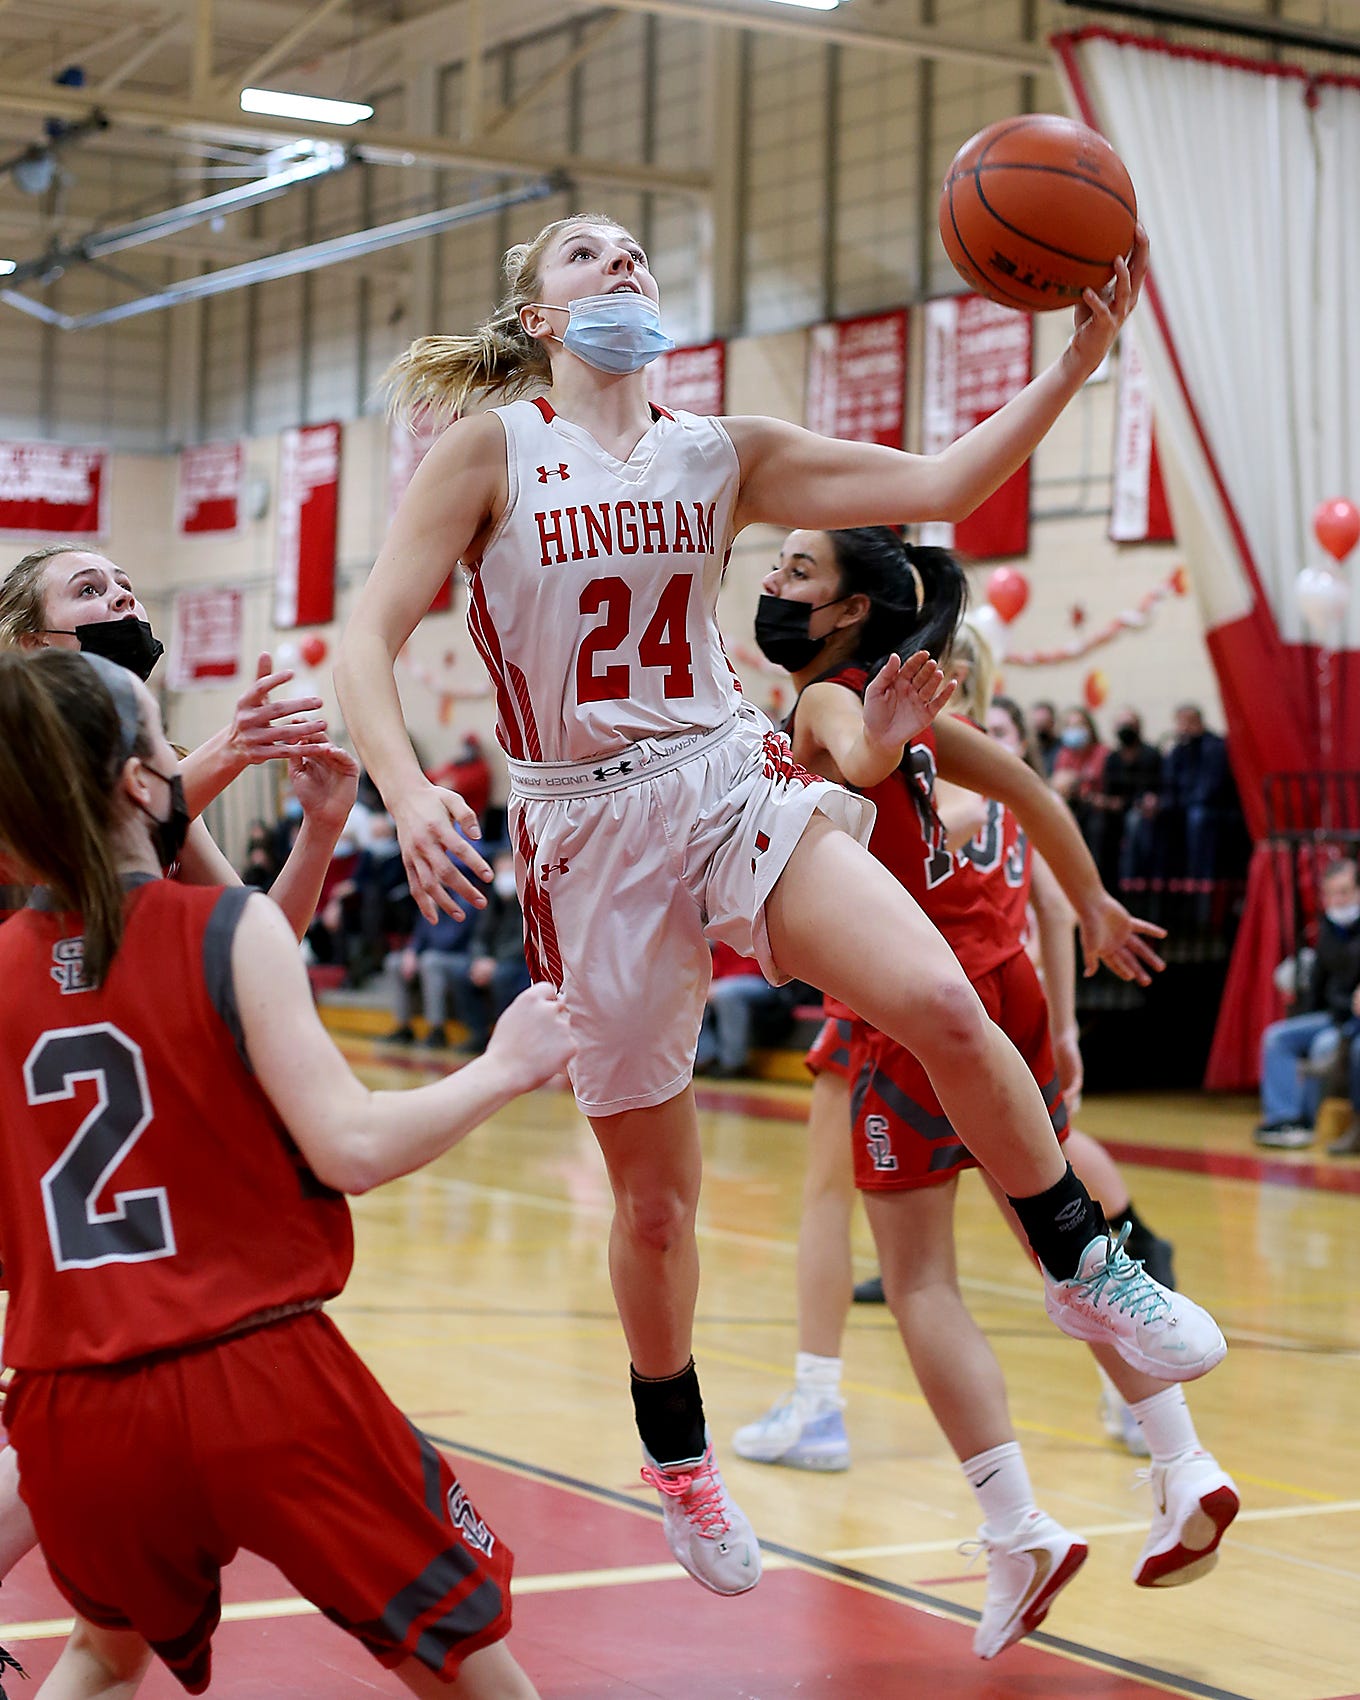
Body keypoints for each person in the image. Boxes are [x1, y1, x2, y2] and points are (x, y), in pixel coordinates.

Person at [332, 211, 1223, 1600]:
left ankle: (1081, 1263)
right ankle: (680, 1455)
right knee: (657, 1210)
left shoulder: (719, 451)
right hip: (582, 826)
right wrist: (401, 781)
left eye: (635, 254)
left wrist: (1072, 368)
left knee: (935, 995)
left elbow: (936, 477)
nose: (621, 266)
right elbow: (366, 633)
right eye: (586, 257)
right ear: (539, 319)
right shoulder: (489, 451)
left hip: (717, 772)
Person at [0, 647, 573, 1700]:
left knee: (101, 1651)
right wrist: (502, 1068)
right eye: (169, 740)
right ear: (140, 783)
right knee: (464, 1664)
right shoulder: (224, 923)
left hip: (72, 1404)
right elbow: (349, 1145)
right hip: (253, 1373)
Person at [733, 548, 1236, 1657]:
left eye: (795, 566)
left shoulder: (831, 692)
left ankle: (1015, 1524)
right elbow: (1035, 794)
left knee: (917, 1276)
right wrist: (1095, 904)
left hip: (916, 1002)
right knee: (1063, 1243)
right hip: (997, 980)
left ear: (851, 609)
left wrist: (883, 733)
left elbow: (854, 747)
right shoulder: (899, 709)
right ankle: (1181, 1456)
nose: (770, 574)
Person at [0, 544, 343, 941]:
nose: (124, 595)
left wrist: (321, 826)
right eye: (89, 590)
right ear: (34, 643)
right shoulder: (14, 755)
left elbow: (263, 941)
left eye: (124, 584)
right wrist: (230, 749)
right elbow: (94, 848)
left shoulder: (165, 770)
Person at [1254, 855, 1360, 1153]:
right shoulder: (1328, 930)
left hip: (1352, 1021)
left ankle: (1308, 1121)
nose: (1337, 901)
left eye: (1344, 892)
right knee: (1277, 1037)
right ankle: (1284, 1119)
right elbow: (1317, 987)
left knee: (1323, 1047)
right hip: (1329, 1016)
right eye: (1331, 894)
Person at [382, 882, 480, 1047]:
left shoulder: (463, 904)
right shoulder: (430, 902)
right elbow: (419, 938)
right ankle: (404, 1026)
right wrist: (411, 952)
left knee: (430, 961)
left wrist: (436, 913)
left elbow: (449, 941)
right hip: (433, 956)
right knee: (393, 962)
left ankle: (437, 1029)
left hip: (461, 958)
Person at [1089, 707, 1163, 889]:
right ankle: (1104, 882)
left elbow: (1153, 789)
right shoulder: (1113, 758)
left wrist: (1127, 803)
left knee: (1134, 822)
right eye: (1121, 724)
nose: (1125, 729)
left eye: (1129, 724)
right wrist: (1104, 801)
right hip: (1115, 810)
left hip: (1140, 810)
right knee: (1096, 825)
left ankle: (1133, 883)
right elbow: (1108, 790)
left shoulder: (1151, 755)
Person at [694, 942, 787, 1078]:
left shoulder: (754, 927)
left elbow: (762, 967)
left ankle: (732, 1064)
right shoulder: (719, 933)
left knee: (727, 994)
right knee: (696, 992)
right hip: (727, 981)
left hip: (762, 981)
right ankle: (704, 1058)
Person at [1028, 699, 1060, 778]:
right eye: (1038, 722)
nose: (1041, 727)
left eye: (1044, 722)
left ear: (1052, 722)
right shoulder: (1028, 750)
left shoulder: (1062, 748)